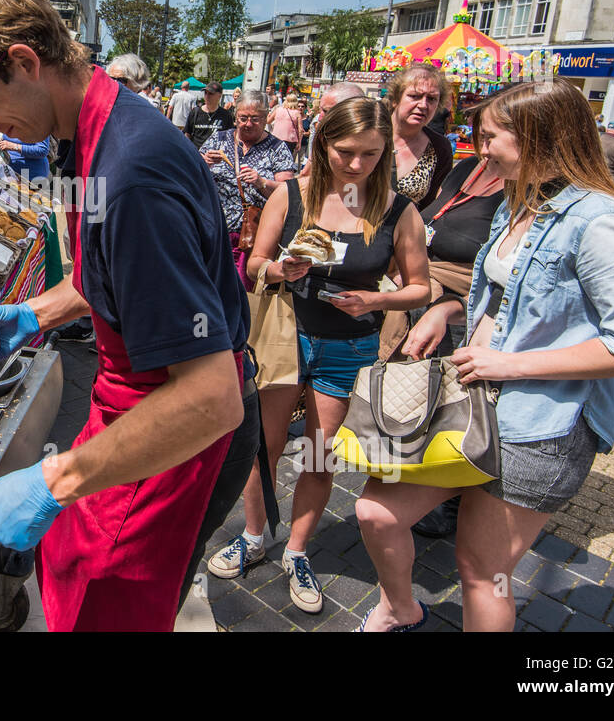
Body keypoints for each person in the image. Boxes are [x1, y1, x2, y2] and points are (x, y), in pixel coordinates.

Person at [0, 0, 249, 631]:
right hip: (129, 403)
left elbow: (212, 397)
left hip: (171, 424)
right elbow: (115, 277)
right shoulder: (86, 136)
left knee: (104, 606)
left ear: (23, 62)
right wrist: (35, 314)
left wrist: (55, 480)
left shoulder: (131, 172)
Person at [355, 79, 614, 632]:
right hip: (478, 404)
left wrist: (510, 364)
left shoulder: (601, 223)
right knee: (377, 512)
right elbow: (510, 298)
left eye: (492, 137)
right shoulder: (520, 203)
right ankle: (400, 608)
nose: (481, 149)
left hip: (541, 428)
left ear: (538, 139)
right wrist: (449, 311)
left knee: (482, 572)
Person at [208, 99, 431, 614]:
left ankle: (297, 550)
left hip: (348, 346)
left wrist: (375, 299)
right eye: (345, 152)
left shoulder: (398, 210)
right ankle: (255, 535)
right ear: (321, 143)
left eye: (371, 155)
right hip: (284, 337)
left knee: (319, 452)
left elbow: (421, 288)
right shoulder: (291, 195)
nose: (356, 165)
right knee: (262, 447)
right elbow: (254, 263)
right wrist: (278, 271)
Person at [380, 151, 507, 539]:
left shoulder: (525, 190)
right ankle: (416, 472)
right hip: (424, 282)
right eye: (480, 134)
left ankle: (451, 494)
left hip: (460, 295)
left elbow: (502, 282)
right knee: (421, 392)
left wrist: (446, 304)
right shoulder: (470, 168)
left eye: (493, 137)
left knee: (456, 400)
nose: (483, 146)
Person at [200, 90, 298, 284]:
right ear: (235, 116)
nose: (248, 124)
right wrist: (204, 162)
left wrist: (261, 182)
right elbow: (192, 175)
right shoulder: (219, 139)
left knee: (241, 290)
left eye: (255, 118)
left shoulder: (277, 147)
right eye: (243, 118)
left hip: (253, 235)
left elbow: (288, 192)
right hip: (215, 230)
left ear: (266, 118)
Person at [386, 64, 453, 205]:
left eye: (432, 99)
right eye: (414, 96)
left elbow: (433, 204)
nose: (423, 105)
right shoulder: (369, 133)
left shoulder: (439, 148)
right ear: (395, 99)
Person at [299, 82, 363, 178]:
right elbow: (306, 174)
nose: (320, 118)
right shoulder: (324, 138)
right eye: (321, 110)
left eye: (326, 111)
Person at [183, 82, 235, 149]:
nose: (207, 96)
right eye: (205, 93)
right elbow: (187, 134)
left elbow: (230, 137)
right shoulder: (195, 112)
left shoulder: (226, 115)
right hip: (196, 154)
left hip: (215, 156)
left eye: (211, 93)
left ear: (219, 95)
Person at [268, 91, 305, 156]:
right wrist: (299, 142)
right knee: (286, 160)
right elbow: (300, 130)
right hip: (290, 141)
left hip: (276, 139)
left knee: (274, 157)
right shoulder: (297, 113)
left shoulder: (278, 110)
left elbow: (268, 121)